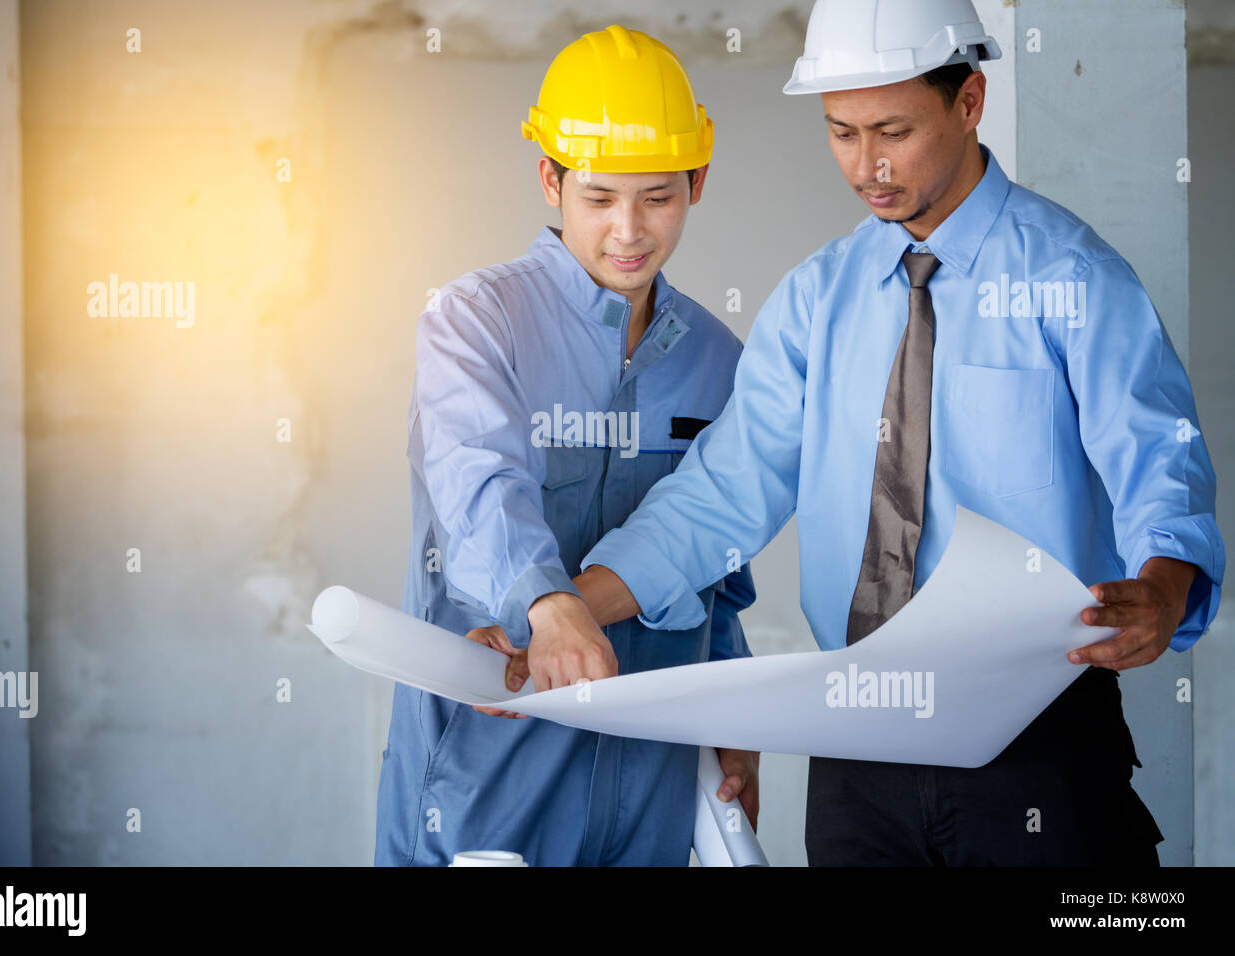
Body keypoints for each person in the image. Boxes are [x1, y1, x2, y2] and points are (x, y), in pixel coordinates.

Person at [528, 0, 1225, 865]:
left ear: (969, 102)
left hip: (1036, 747)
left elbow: (1161, 461)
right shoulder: (818, 300)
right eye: (842, 132)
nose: (868, 166)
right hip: (858, 748)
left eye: (892, 129)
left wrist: (1164, 589)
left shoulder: (1073, 280)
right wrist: (556, 615)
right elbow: (721, 495)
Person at [374, 24, 758, 867]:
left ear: (696, 182)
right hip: (488, 775)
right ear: (550, 180)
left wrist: (735, 720)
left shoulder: (720, 361)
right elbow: (479, 486)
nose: (629, 230)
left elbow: (718, 569)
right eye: (600, 197)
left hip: (649, 793)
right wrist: (548, 607)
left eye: (658, 196)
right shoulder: (477, 323)